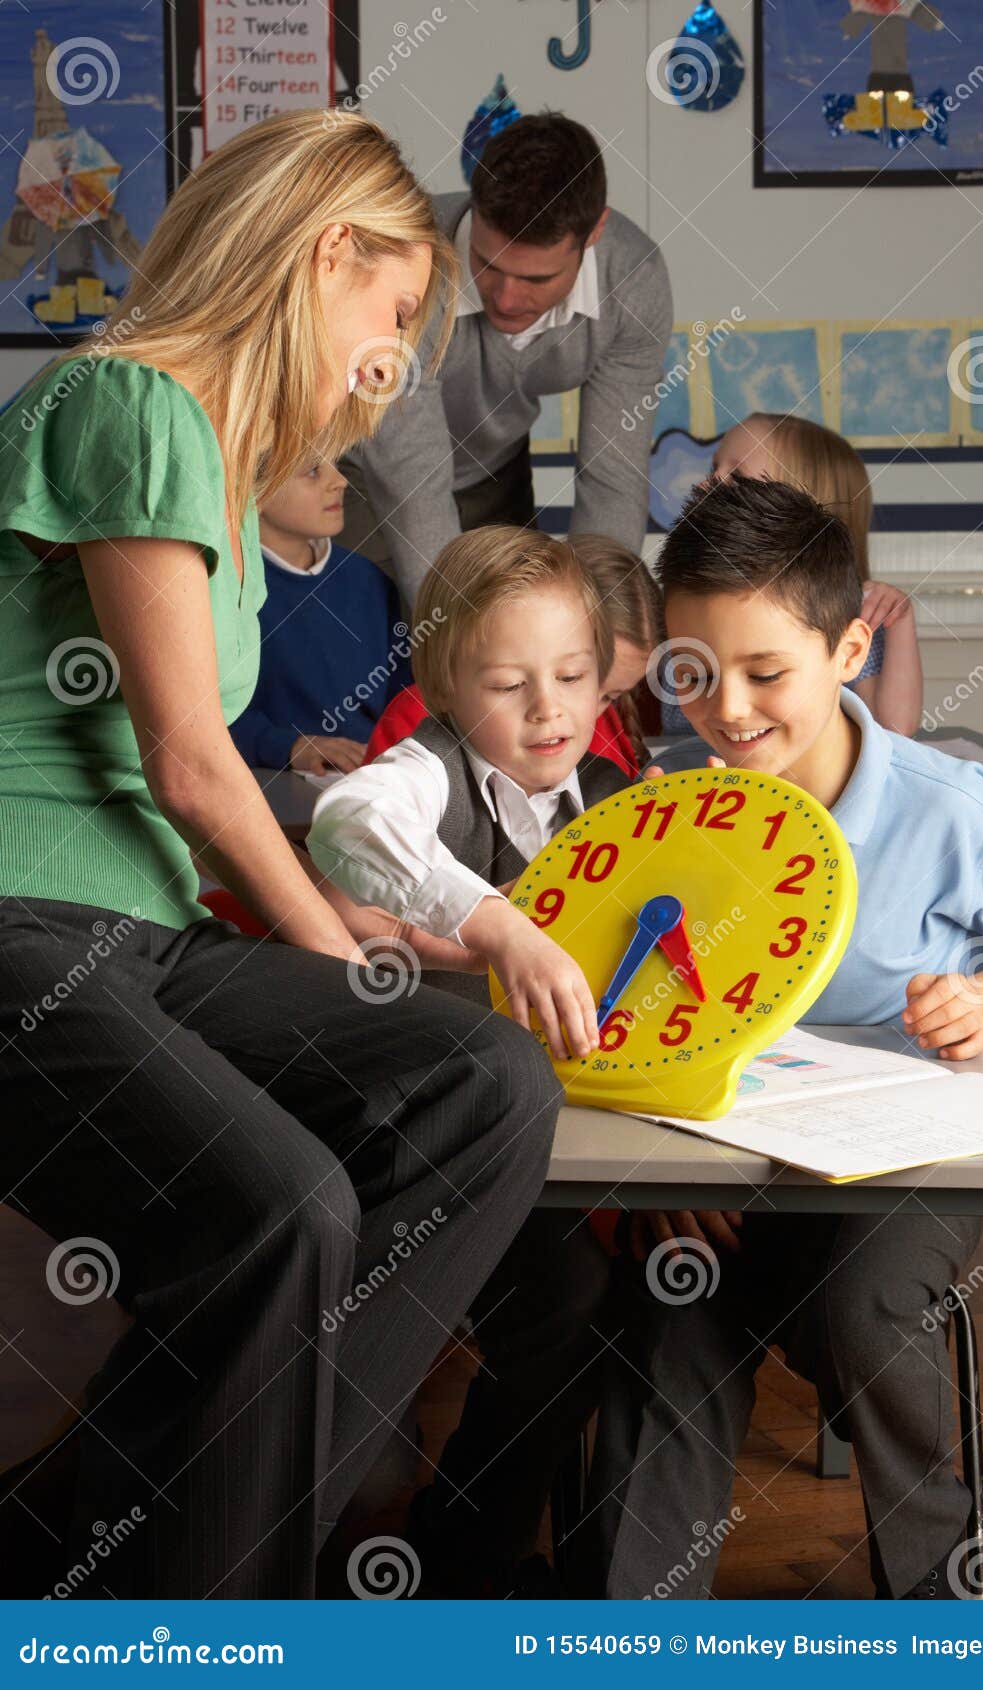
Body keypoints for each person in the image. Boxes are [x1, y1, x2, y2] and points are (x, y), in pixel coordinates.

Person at [0, 108, 562, 1600]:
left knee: (480, 1081)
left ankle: (130, 1553)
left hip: (143, 935)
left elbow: (199, 812)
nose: (383, 363)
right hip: (21, 928)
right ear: (326, 254)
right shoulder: (135, 400)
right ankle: (185, 1581)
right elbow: (192, 766)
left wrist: (386, 950)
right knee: (281, 1207)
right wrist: (331, 946)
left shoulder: (216, 474)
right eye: (387, 315)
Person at [574, 474, 983, 1601]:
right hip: (719, 1165)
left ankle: (946, 1609)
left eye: (765, 673)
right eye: (696, 674)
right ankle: (631, 1631)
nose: (728, 709)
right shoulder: (668, 821)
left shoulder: (942, 805)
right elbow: (615, 1015)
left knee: (866, 1306)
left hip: (899, 1169)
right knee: (668, 1296)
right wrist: (652, 1163)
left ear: (848, 651)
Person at [307, 525, 632, 1594]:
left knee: (603, 1304)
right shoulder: (421, 772)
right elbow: (347, 820)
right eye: (507, 682)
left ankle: (480, 1553)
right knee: (554, 1303)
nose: (549, 709)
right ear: (445, 682)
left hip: (569, 1143)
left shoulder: (616, 802)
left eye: (574, 675)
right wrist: (489, 924)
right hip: (423, 1146)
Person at [340, 114, 674, 610]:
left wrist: (602, 631)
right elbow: (414, 484)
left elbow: (612, 480)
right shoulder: (408, 267)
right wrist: (451, 638)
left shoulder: (633, 284)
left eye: (537, 279)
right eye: (488, 265)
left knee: (528, 629)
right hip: (362, 472)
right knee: (392, 640)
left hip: (493, 471)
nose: (507, 298)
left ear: (595, 231)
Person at [363, 531, 662, 777]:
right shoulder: (414, 732)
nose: (554, 709)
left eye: (610, 695)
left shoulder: (607, 749)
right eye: (509, 684)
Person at [706, 412, 922, 735]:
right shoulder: (693, 596)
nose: (705, 485)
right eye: (713, 469)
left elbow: (893, 727)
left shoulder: (851, 611)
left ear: (802, 505)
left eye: (735, 476)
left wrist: (899, 620)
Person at [229, 454, 409, 775]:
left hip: (373, 779)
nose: (340, 481)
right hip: (268, 779)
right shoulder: (226, 587)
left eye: (337, 465)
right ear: (254, 490)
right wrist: (287, 747)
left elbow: (404, 698)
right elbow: (204, 717)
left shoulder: (369, 581)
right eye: (312, 471)